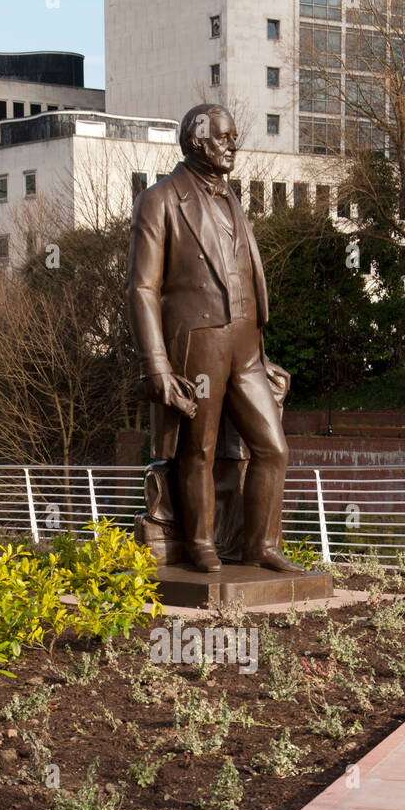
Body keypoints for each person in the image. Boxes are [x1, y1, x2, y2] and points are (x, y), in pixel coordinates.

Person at [126, 103, 303, 574]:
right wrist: (156, 365)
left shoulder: (232, 198)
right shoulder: (160, 200)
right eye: (224, 138)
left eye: (234, 136)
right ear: (197, 141)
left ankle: (260, 545)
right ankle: (199, 543)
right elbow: (142, 288)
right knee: (198, 450)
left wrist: (262, 352)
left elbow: (243, 275)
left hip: (246, 345)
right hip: (197, 342)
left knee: (273, 448)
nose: (233, 145)